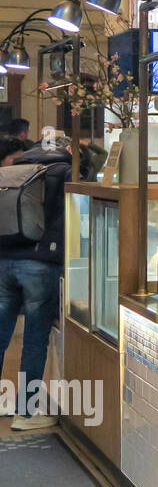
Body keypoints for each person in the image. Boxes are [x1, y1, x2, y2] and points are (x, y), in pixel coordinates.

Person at [0, 139, 73, 429]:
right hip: (40, 263)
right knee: (34, 339)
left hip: (4, 260)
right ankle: (26, 413)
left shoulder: (18, 169)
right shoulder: (64, 171)